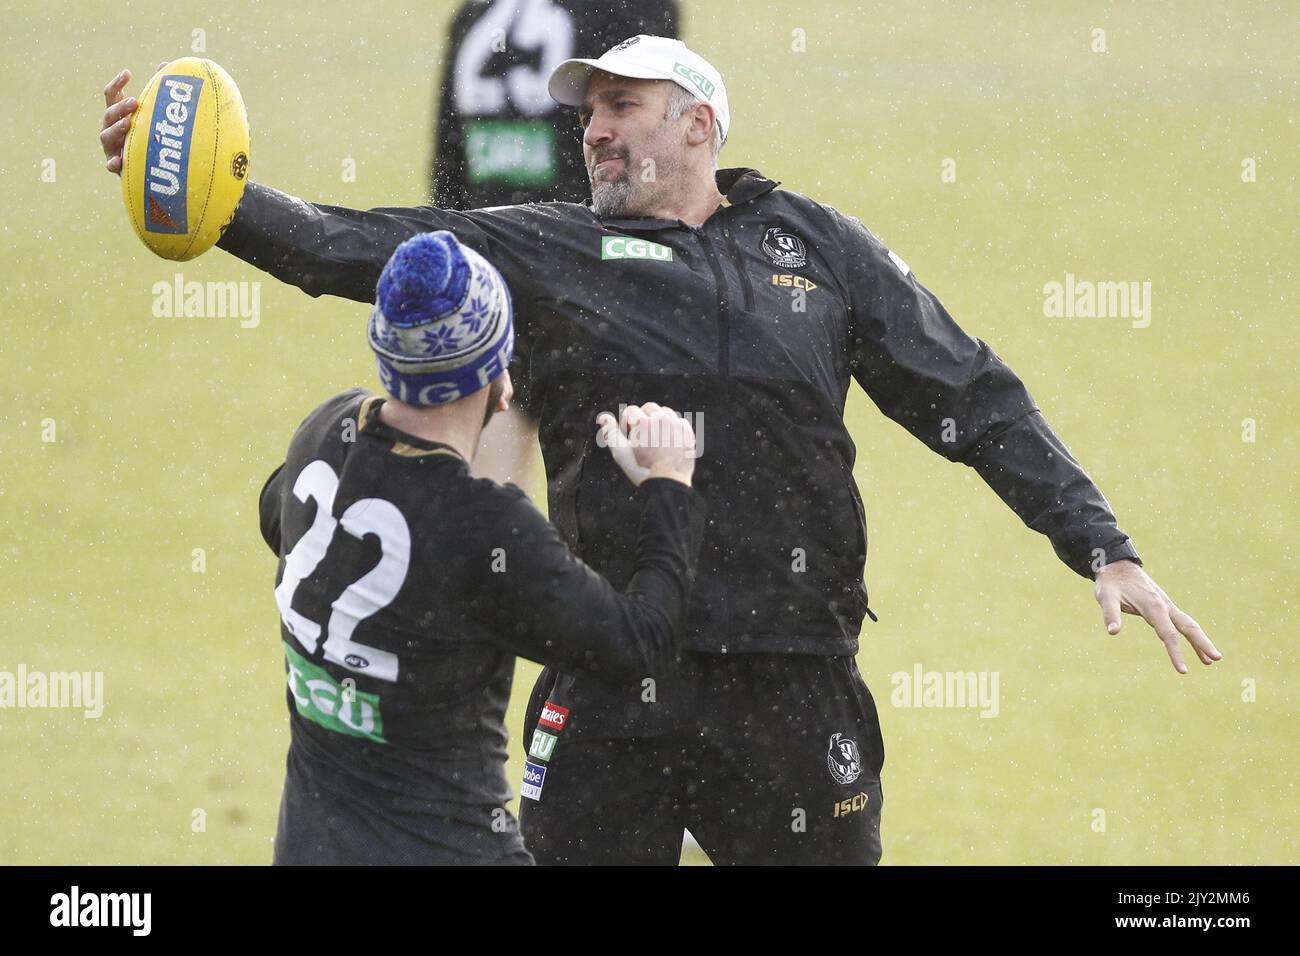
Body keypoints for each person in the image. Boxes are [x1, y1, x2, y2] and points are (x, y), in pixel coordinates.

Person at [101, 35, 1220, 865]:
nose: (591, 127)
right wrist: (209, 197)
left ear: (699, 123)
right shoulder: (550, 247)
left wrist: (1100, 544)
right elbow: (353, 246)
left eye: (619, 105)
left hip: (793, 690)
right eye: (586, 112)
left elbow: (969, 393)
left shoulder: (815, 247)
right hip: (612, 677)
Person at [256, 229, 703, 863]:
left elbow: (279, 518)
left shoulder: (325, 431)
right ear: (498, 372)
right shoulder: (484, 528)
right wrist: (669, 487)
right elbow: (641, 645)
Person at [430, 0, 680, 489]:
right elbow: (658, 133)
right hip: (594, 272)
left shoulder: (474, 14)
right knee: (619, 501)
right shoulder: (632, 8)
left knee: (488, 505)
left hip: (491, 273)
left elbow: (446, 173)